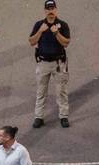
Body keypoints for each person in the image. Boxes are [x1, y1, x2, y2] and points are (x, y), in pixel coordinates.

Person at [30, 1, 72, 129]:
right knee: (41, 91)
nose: (50, 11)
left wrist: (56, 33)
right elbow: (32, 41)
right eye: (48, 9)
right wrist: (40, 32)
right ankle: (39, 117)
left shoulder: (63, 25)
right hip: (43, 63)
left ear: (56, 10)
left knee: (62, 91)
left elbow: (66, 43)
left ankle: (64, 116)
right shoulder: (39, 25)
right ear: (45, 10)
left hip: (59, 63)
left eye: (52, 8)